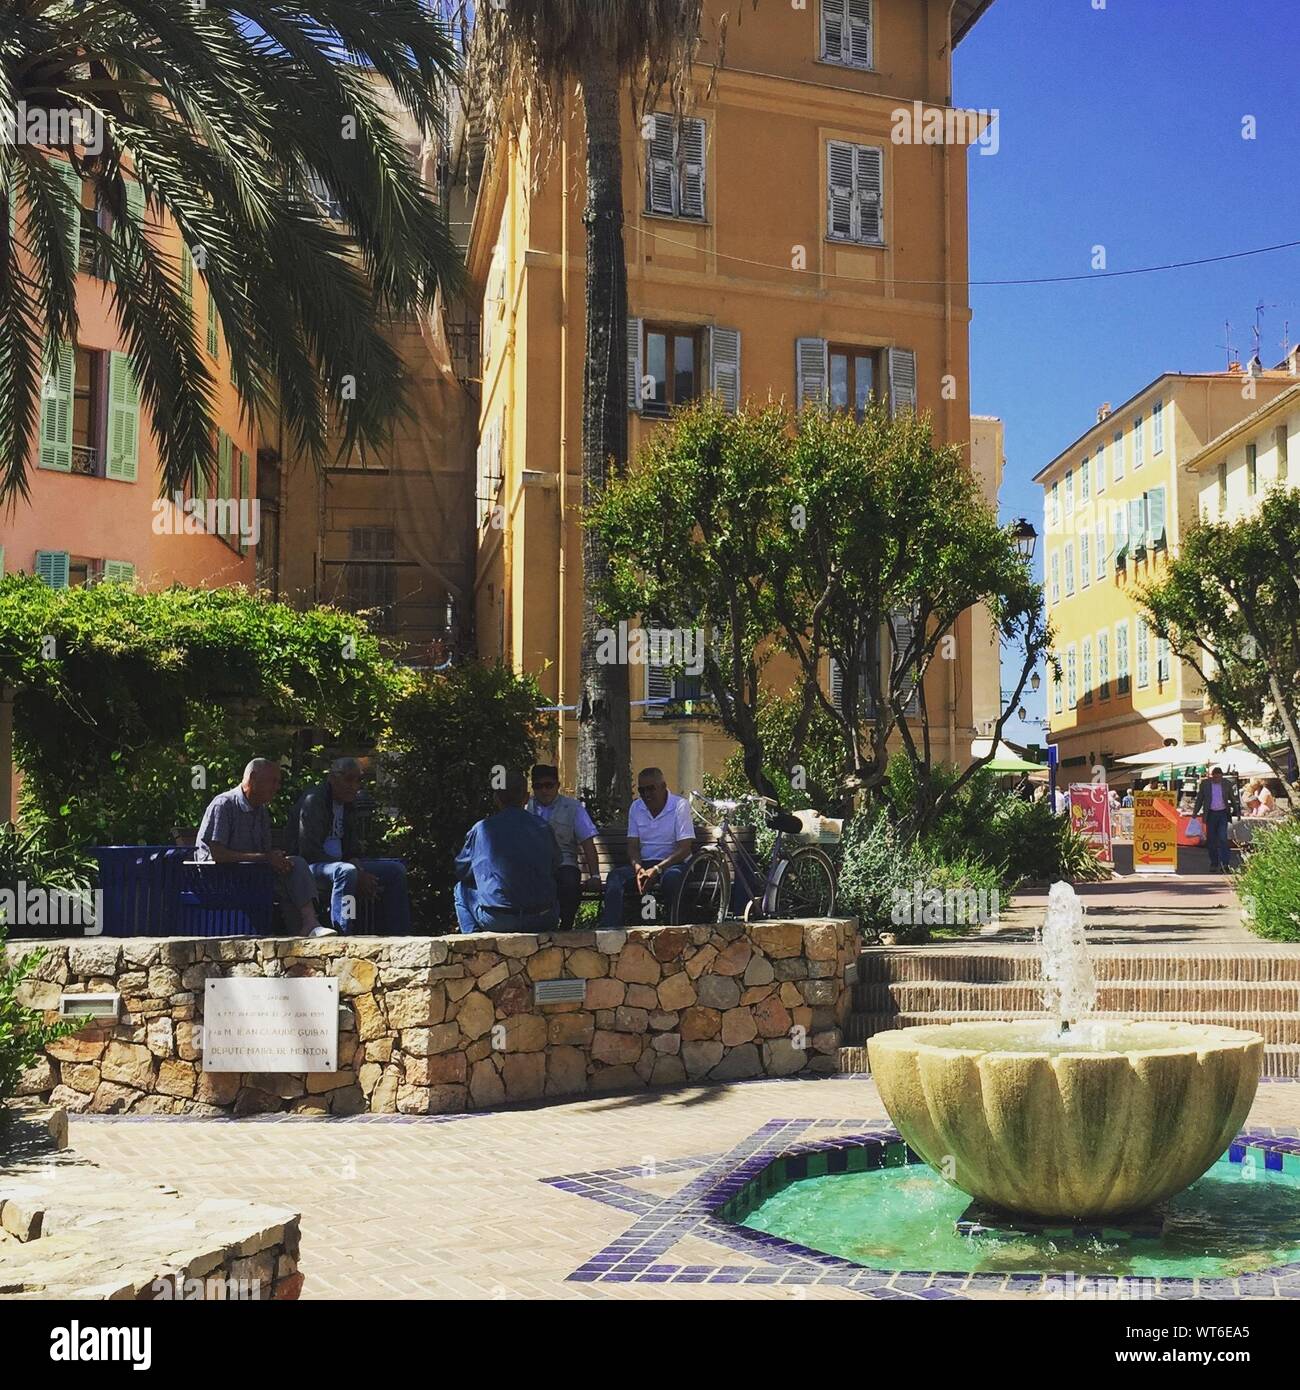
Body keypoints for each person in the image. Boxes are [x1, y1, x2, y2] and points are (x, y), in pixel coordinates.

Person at [195, 759, 334, 937]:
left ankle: (307, 927)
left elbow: (263, 852)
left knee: (293, 865)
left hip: (250, 874)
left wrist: (275, 858)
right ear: (253, 778)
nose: (277, 787)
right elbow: (218, 854)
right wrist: (265, 858)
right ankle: (304, 928)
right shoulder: (224, 805)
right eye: (273, 781)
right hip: (218, 878)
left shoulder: (260, 810)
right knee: (290, 874)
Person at [291, 757, 411, 934]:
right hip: (309, 867)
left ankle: (400, 935)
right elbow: (309, 851)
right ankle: (345, 934)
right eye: (348, 779)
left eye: (358, 780)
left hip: (341, 864)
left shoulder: (348, 804)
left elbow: (351, 849)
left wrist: (360, 870)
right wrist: (355, 871)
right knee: (347, 873)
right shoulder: (314, 801)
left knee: (395, 870)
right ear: (332, 778)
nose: (354, 786)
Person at [454, 770, 560, 933]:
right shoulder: (543, 827)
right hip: (543, 917)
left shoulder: (482, 829)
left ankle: (474, 944)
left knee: (460, 889)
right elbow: (555, 864)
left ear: (496, 798)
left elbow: (462, 870)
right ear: (526, 797)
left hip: (497, 919)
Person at [602, 768, 696, 928]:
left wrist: (657, 869)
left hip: (673, 865)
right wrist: (639, 869)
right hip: (645, 864)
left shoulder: (680, 806)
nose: (646, 794)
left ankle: (677, 930)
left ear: (663, 786)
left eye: (651, 788)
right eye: (641, 790)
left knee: (672, 880)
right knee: (615, 879)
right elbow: (632, 846)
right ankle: (610, 933)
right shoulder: (636, 807)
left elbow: (685, 849)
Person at [527, 765, 601, 930]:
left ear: (557, 785)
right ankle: (533, 927)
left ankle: (566, 927)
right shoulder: (526, 807)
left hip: (564, 861)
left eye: (549, 785)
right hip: (534, 865)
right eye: (538, 786)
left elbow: (587, 843)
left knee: (569, 881)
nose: (544, 790)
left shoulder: (573, 808)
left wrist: (595, 875)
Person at [1192, 766, 1241, 872]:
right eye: (1215, 777)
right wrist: (1195, 812)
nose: (1217, 779)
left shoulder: (1227, 783)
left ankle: (1225, 864)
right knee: (1211, 840)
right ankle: (1214, 863)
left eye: (1219, 777)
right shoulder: (1205, 784)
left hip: (1223, 813)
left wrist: (1237, 812)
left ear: (1222, 776)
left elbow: (1232, 798)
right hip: (1210, 814)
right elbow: (1200, 799)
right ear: (1212, 776)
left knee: (1223, 839)